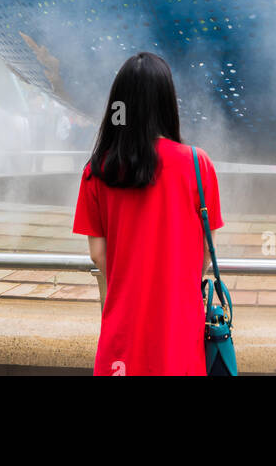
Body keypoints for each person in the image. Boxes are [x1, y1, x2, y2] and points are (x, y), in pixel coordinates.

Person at [73, 52, 223, 377]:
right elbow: (205, 255)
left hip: (122, 332)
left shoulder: (96, 171)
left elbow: (98, 254)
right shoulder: (199, 165)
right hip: (179, 331)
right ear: (168, 103)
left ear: (118, 105)